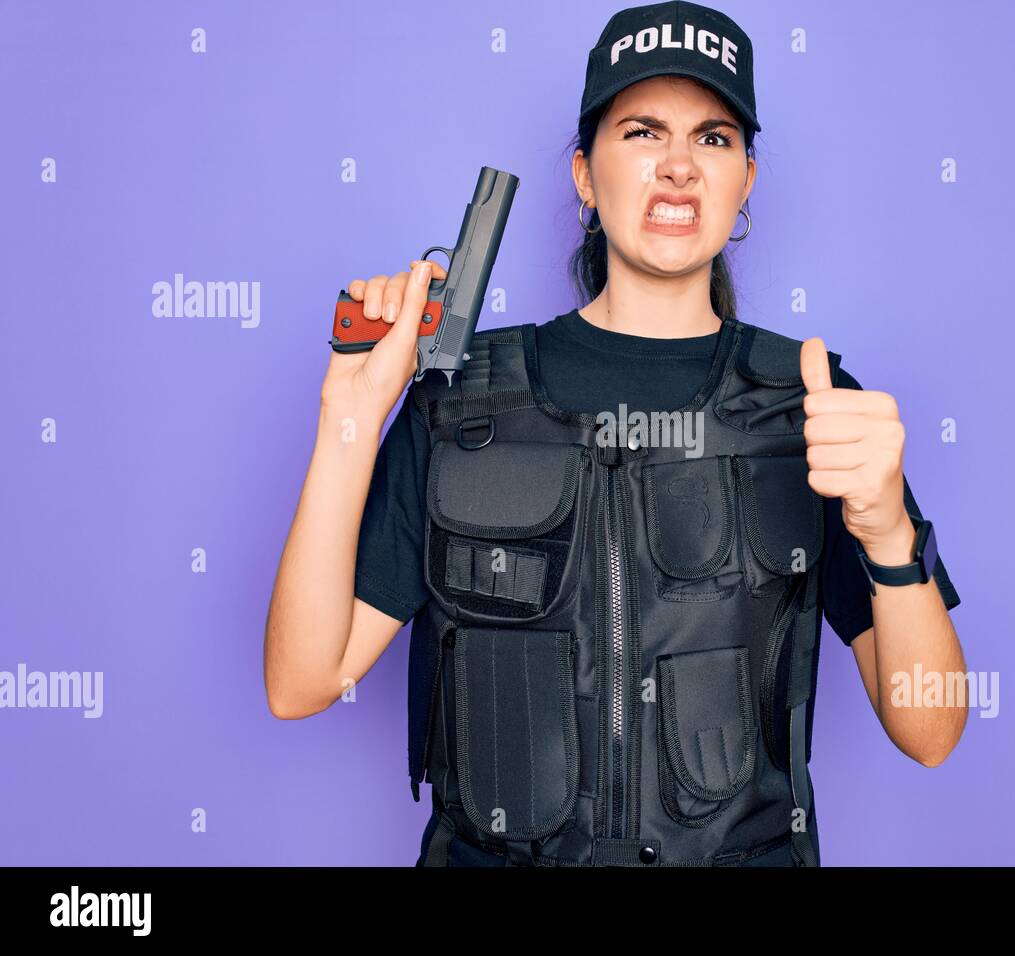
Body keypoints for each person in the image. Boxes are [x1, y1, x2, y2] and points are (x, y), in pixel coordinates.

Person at [265, 0, 966, 868]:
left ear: (745, 179)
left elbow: (931, 731)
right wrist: (351, 416)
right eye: (642, 132)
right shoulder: (460, 403)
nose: (678, 167)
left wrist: (888, 531)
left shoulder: (812, 405)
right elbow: (301, 684)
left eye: (713, 139)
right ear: (584, 176)